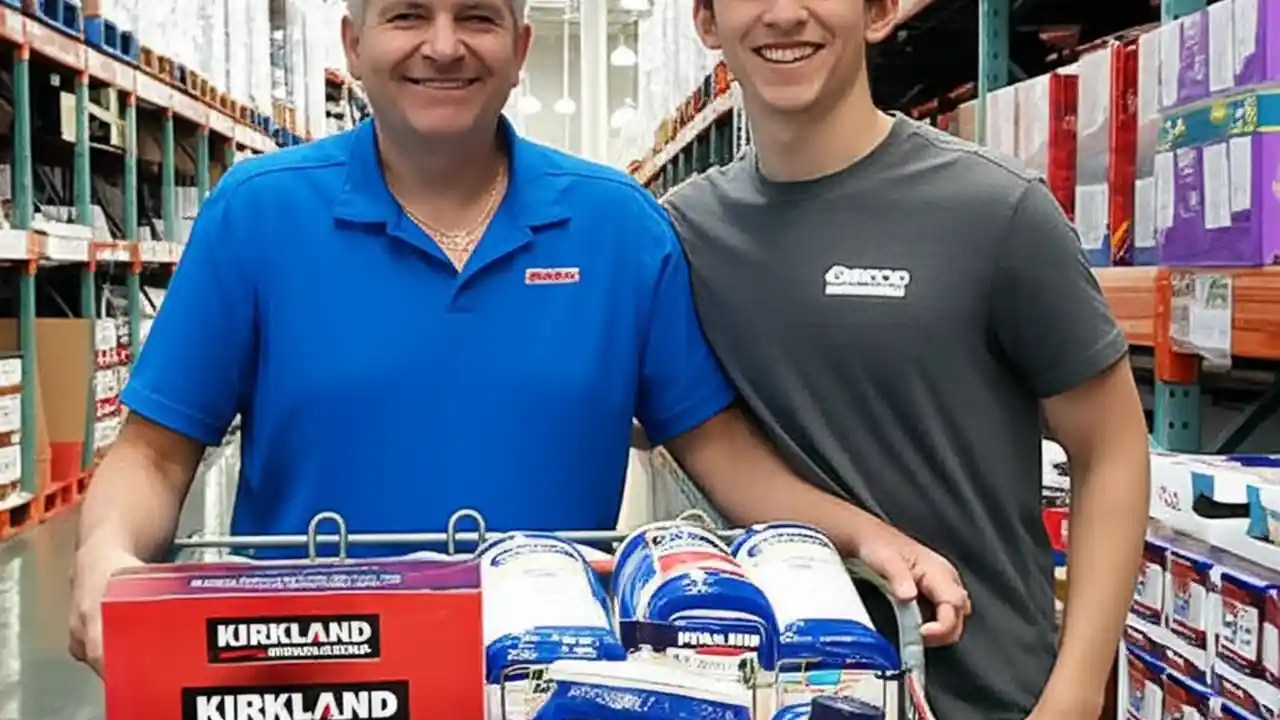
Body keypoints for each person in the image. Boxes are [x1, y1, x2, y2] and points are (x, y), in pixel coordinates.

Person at [68, 0, 970, 677]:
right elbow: (154, 453)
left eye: (478, 17)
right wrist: (105, 556)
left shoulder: (617, 229)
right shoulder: (259, 216)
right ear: (353, 45)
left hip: (548, 678)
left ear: (521, 49)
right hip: (315, 673)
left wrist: (867, 539)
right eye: (407, 16)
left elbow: (720, 450)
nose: (444, 44)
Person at [663, 0, 1151, 718]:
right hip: (780, 693)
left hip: (984, 693)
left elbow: (1110, 450)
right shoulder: (683, 235)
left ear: (880, 11)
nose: (784, 14)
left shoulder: (994, 210)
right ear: (706, 22)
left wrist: (1075, 694)